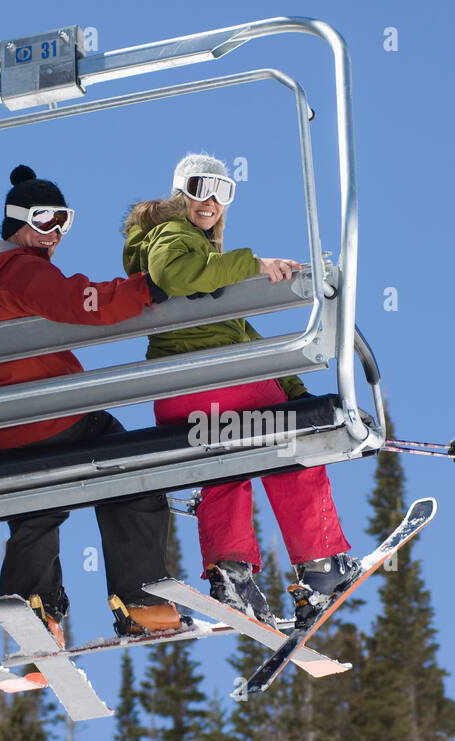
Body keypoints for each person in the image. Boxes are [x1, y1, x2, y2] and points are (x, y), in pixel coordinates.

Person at [121, 153, 361, 624]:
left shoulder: (205, 266)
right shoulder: (173, 237)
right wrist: (253, 264)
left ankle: (231, 574)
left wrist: (293, 392)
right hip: (213, 382)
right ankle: (320, 566)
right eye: (197, 188)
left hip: (181, 397)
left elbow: (249, 343)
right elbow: (174, 272)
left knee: (226, 466)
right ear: (179, 193)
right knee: (298, 443)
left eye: (221, 191)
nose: (209, 200)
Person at [0, 165, 180, 636]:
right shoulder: (20, 270)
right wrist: (147, 288)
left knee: (39, 506)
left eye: (63, 222)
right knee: (131, 474)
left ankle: (36, 605)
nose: (54, 234)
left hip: (5, 437)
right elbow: (81, 301)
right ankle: (141, 598)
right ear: (17, 223)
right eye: (43, 221)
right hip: (52, 422)